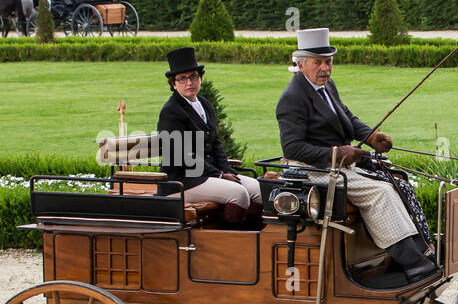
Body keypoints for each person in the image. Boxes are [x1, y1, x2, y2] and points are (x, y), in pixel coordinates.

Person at [275, 28, 436, 281]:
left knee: (396, 181)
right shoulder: (292, 98)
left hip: (338, 166)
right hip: (311, 172)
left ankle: (420, 249)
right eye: (317, 63)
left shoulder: (327, 87)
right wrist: (337, 153)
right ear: (300, 64)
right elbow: (292, 148)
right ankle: (411, 261)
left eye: (328, 62)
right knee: (379, 193)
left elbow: (346, 117)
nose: (325, 68)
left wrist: (371, 137)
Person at [157, 46, 262, 227]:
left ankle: (251, 237)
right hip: (183, 180)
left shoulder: (204, 104)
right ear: (173, 84)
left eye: (193, 76)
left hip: (208, 174)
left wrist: (226, 169)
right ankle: (226, 240)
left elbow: (216, 143)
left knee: (258, 189)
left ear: (200, 78)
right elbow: (183, 156)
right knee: (238, 194)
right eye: (182, 79)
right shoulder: (171, 112)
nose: (189, 82)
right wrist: (220, 176)